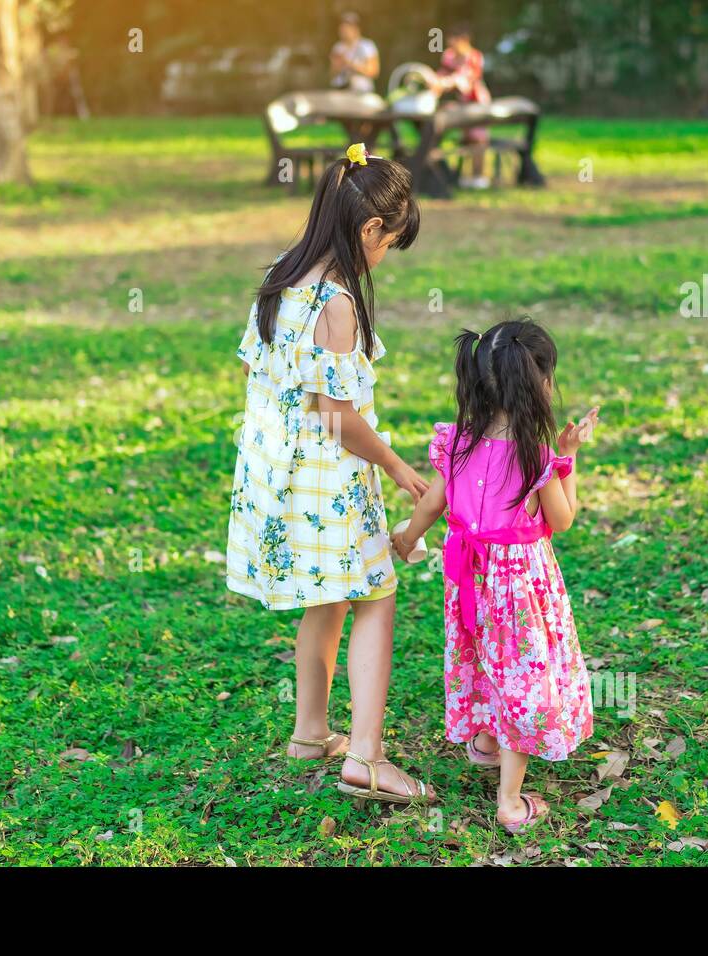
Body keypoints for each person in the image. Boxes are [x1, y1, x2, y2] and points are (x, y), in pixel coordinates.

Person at [226, 144, 433, 805]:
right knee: (375, 594)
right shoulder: (336, 303)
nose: (383, 259)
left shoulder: (281, 280)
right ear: (371, 229)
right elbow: (340, 418)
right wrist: (399, 467)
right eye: (389, 243)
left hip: (279, 479)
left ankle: (310, 734)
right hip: (326, 482)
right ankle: (367, 759)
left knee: (330, 597)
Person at [392, 320, 599, 831]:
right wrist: (568, 458)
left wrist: (404, 538)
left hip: (470, 579)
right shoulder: (536, 457)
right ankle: (510, 801)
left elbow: (433, 505)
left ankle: (486, 742)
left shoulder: (457, 441)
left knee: (482, 658)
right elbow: (562, 521)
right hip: (520, 590)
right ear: (538, 384)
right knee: (521, 676)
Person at [437, 24, 492, 189]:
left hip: (477, 103)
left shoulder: (474, 57)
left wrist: (449, 81)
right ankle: (453, 172)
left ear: (464, 40)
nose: (451, 44)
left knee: (478, 138)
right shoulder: (449, 56)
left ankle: (478, 176)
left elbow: (468, 79)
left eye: (454, 41)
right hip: (462, 104)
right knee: (463, 138)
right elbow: (442, 74)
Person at [329, 13, 379, 93]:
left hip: (362, 91)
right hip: (341, 90)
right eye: (343, 28)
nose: (344, 31)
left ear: (356, 29)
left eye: (348, 27)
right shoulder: (337, 47)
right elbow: (332, 74)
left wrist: (351, 64)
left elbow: (373, 71)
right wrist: (338, 64)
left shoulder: (367, 45)